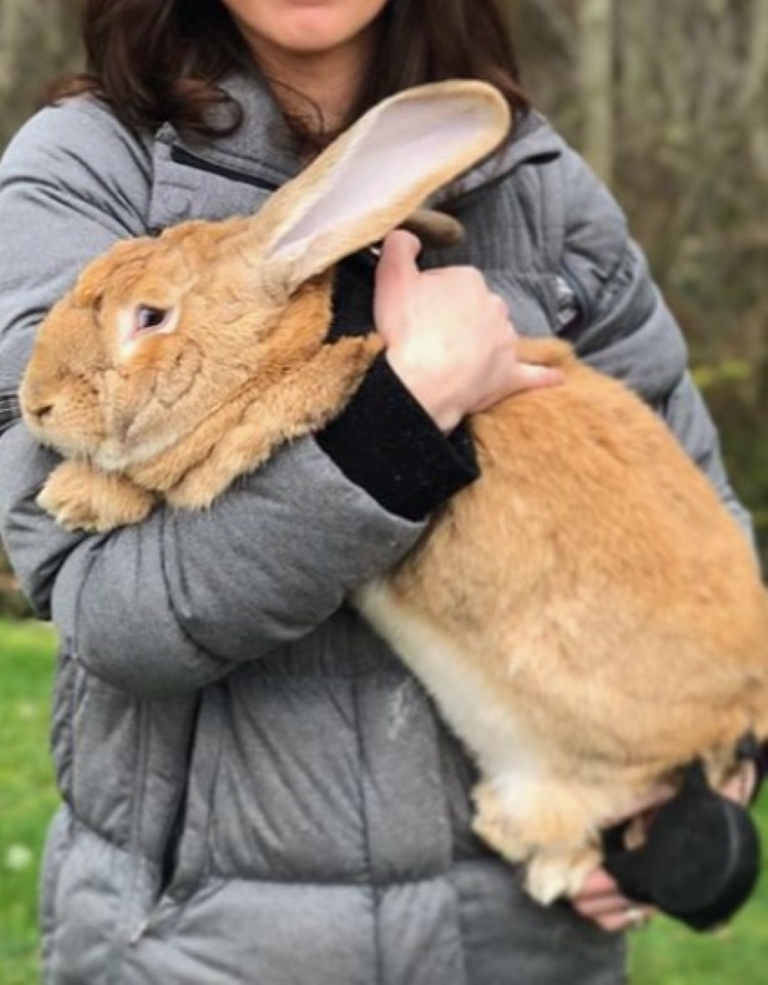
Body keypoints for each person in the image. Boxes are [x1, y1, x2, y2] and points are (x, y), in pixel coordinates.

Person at [0, 1, 757, 982]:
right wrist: (404, 413)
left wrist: (701, 774)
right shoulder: (83, 170)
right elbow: (117, 616)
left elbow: (701, 523)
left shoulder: (540, 186)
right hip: (200, 950)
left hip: (515, 944)